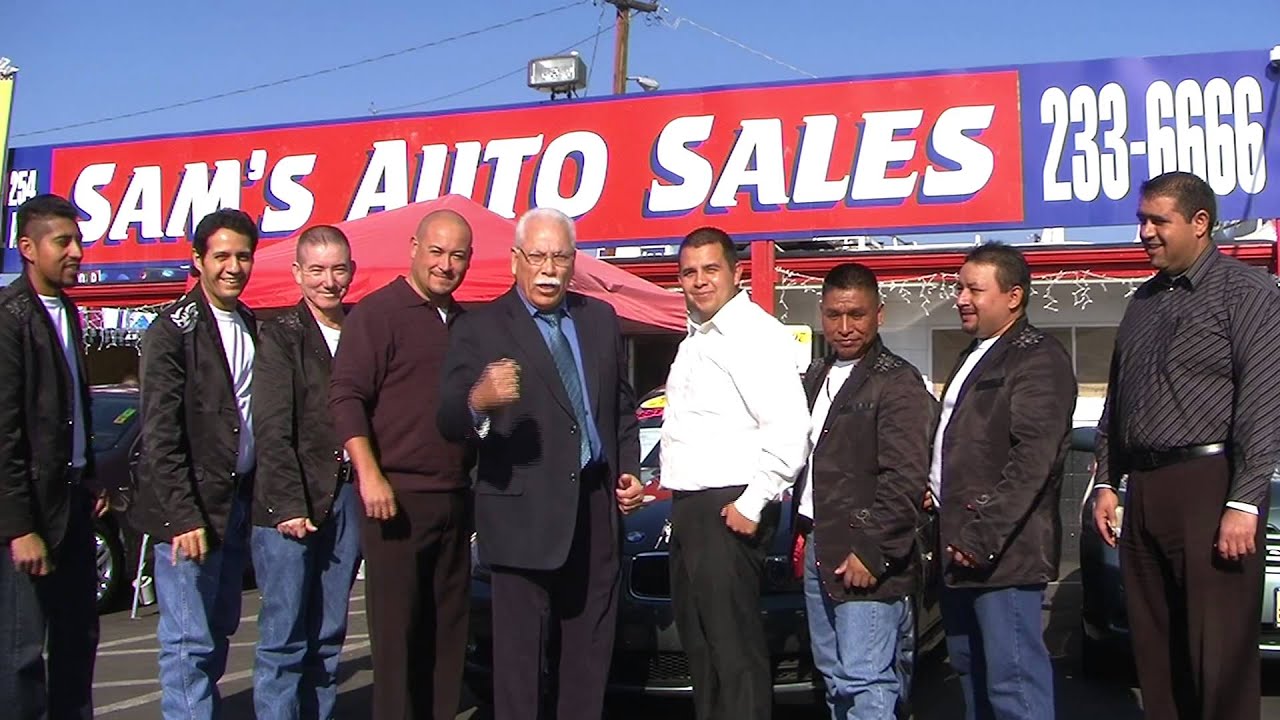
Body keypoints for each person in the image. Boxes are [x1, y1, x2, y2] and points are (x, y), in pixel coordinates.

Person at [437, 207, 644, 720]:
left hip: (595, 509)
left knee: (588, 655)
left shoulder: (599, 319)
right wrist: (479, 400)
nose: (549, 269)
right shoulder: (480, 327)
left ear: (573, 262)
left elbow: (620, 407)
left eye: (560, 257)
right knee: (520, 665)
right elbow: (448, 417)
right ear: (515, 261)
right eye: (537, 257)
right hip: (522, 516)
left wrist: (629, 468)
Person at [1092, 171, 1280, 720]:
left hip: (1211, 486)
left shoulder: (1248, 293)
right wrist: (1106, 481)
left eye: (1158, 221)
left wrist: (1244, 503)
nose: (1145, 232)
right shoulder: (1142, 302)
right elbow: (1117, 403)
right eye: (1142, 220)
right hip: (1144, 492)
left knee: (1217, 658)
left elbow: (1263, 402)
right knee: (1156, 651)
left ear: (1200, 223)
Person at [657, 226, 811, 720]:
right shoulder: (695, 338)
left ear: (736, 272)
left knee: (734, 652)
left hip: (728, 506)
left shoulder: (753, 334)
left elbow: (791, 429)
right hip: (689, 507)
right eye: (689, 272)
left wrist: (752, 502)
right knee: (702, 650)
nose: (699, 281)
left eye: (710, 269)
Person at [329, 209, 475, 720]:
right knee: (397, 639)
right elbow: (345, 396)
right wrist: (369, 474)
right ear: (414, 248)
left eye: (457, 255)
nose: (445, 264)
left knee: (447, 634)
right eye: (436, 251)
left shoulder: (466, 323)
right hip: (395, 500)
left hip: (454, 498)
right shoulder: (377, 314)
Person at [929, 242, 1076, 720]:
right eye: (959, 288)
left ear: (1014, 296)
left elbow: (1032, 461)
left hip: (1003, 556)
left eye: (974, 289)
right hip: (957, 548)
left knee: (1014, 684)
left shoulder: (1038, 357)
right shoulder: (974, 353)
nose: (961, 299)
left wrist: (982, 537)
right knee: (971, 671)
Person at [131, 207, 259, 720]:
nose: (233, 267)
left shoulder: (250, 323)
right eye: (222, 256)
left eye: (243, 256)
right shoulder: (172, 330)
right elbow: (160, 432)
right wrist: (182, 516)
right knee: (187, 642)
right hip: (189, 515)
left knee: (219, 628)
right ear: (197, 259)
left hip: (236, 505)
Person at [793, 263, 934, 720]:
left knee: (866, 679)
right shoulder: (815, 375)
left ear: (879, 315)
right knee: (835, 679)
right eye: (834, 315)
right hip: (819, 545)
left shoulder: (898, 380)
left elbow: (904, 477)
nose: (845, 326)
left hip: (866, 553)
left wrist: (872, 552)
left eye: (857, 314)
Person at [0, 194, 106, 719]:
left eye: (78, 241)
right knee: (21, 654)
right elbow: (5, 433)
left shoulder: (66, 311)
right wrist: (19, 527)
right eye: (62, 242)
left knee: (77, 638)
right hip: (31, 514)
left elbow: (69, 410)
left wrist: (90, 478)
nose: (76, 253)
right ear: (28, 248)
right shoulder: (11, 318)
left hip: (72, 503)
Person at [251, 226, 362, 720]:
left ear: (351, 271)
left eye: (337, 269)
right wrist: (288, 504)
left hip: (347, 497)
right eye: (316, 270)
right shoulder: (281, 335)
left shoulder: (361, 330)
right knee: (284, 637)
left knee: (328, 633)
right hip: (291, 503)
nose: (328, 281)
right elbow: (272, 427)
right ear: (297, 273)